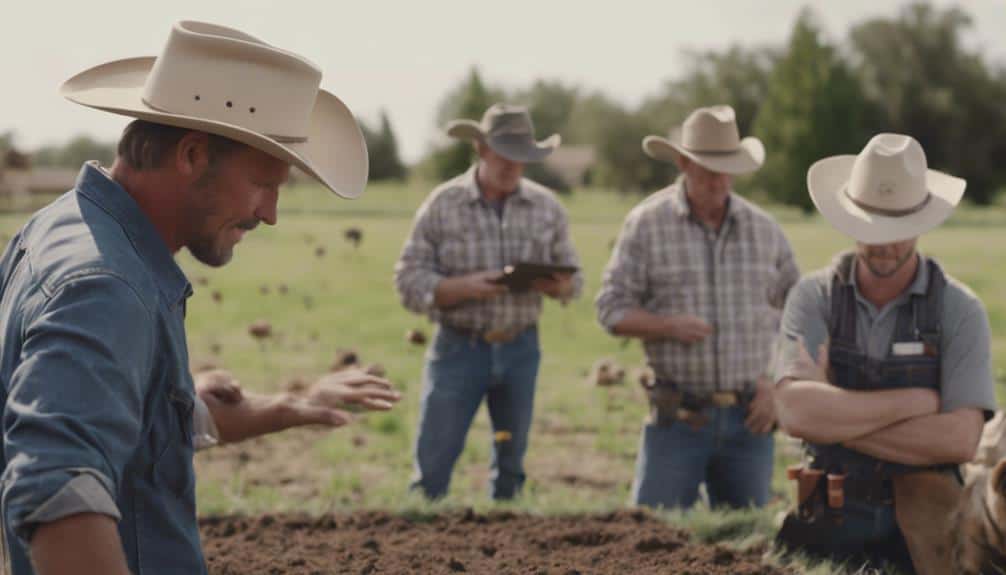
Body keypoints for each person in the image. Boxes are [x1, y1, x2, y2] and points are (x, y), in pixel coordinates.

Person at [0, 21, 399, 575]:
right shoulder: (105, 286)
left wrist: (271, 404)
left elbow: (64, 418)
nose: (270, 213)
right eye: (264, 183)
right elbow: (58, 489)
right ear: (191, 154)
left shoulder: (57, 228)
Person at [773, 133, 996, 573]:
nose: (884, 245)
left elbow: (959, 439)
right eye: (870, 228)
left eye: (898, 230)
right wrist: (915, 404)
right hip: (828, 513)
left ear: (922, 222)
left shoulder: (960, 309)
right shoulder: (813, 296)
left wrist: (834, 421)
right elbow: (795, 412)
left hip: (928, 521)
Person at [595, 105, 800, 509]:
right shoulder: (646, 225)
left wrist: (776, 384)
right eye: (708, 169)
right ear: (684, 163)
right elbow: (610, 309)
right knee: (653, 540)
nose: (720, 181)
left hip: (750, 419)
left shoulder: (764, 230)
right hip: (677, 418)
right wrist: (666, 326)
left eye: (728, 170)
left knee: (746, 543)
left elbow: (800, 317)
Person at [394, 103, 582, 500]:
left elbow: (574, 283)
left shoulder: (548, 208)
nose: (514, 166)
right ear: (481, 149)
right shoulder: (442, 205)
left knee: (512, 468)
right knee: (432, 469)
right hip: (458, 347)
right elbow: (407, 279)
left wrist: (554, 285)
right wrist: (462, 288)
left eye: (523, 157)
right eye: (506, 155)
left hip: (521, 349)